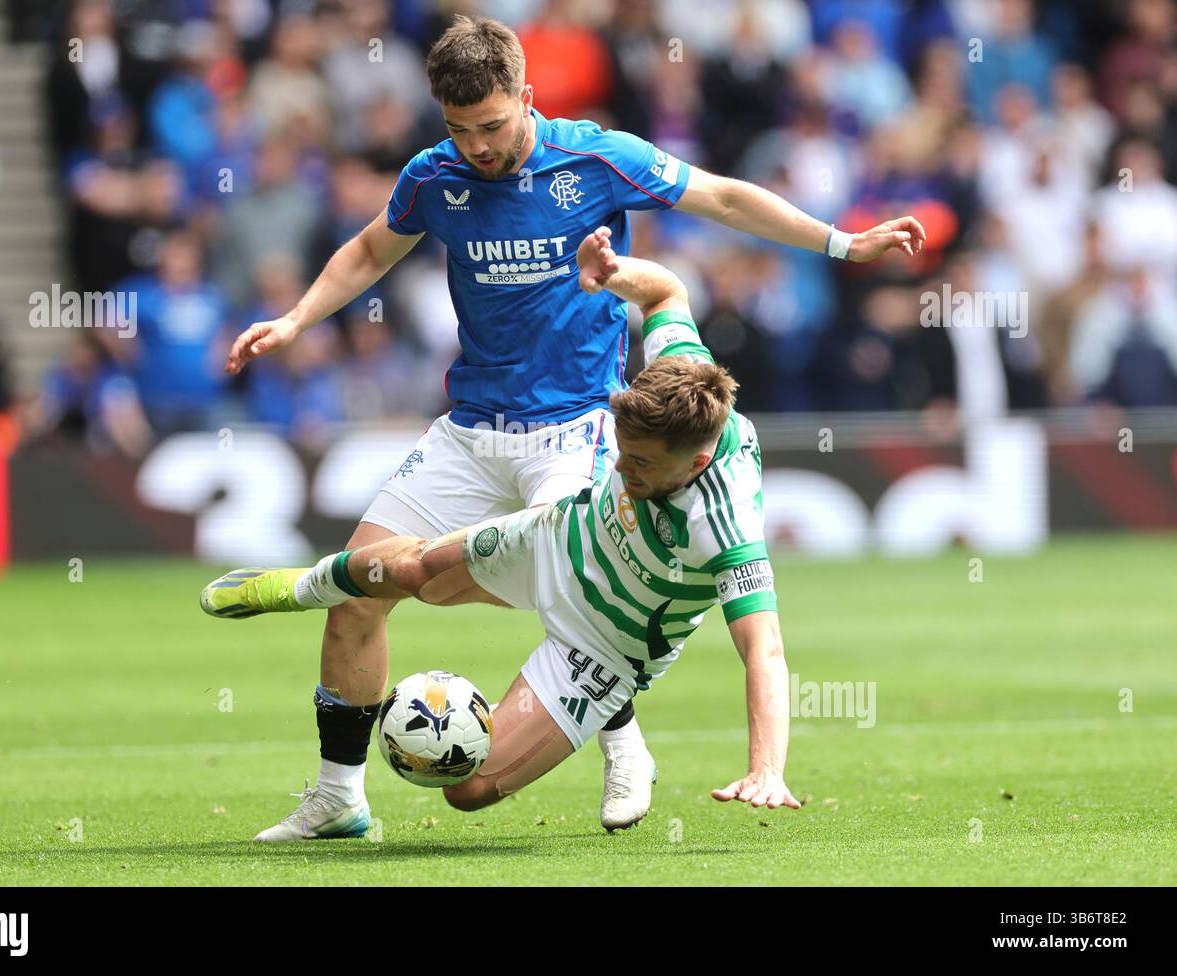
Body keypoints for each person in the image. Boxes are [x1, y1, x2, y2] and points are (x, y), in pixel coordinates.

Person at [222, 15, 924, 840]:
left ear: (527, 95)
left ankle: (626, 746)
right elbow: (373, 249)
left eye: (491, 126)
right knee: (361, 596)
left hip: (578, 426)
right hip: (472, 427)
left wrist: (844, 242)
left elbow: (724, 196)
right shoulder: (433, 176)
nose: (478, 147)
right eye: (459, 130)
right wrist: (299, 318)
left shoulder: (596, 159)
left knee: (576, 602)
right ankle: (339, 797)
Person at [204, 230, 803, 835]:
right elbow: (666, 289)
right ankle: (303, 587)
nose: (621, 467)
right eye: (623, 452)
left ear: (696, 463)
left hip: (604, 646)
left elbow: (765, 649)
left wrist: (766, 769)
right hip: (560, 538)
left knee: (466, 790)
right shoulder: (683, 380)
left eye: (641, 465)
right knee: (408, 574)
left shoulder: (726, 524)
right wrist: (610, 274)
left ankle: (620, 743)